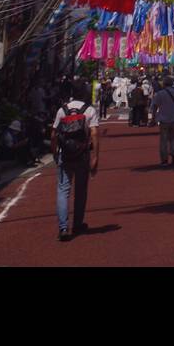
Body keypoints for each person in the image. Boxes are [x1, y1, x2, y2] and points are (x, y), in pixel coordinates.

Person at [53, 84, 99, 242]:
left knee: (63, 190)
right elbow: (94, 134)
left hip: (64, 154)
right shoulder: (89, 110)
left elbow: (54, 134)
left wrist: (54, 152)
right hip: (82, 154)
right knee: (81, 190)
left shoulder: (62, 110)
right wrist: (95, 156)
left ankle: (63, 227)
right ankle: (77, 223)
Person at [151, 79, 174, 167]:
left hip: (163, 119)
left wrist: (153, 118)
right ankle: (173, 155)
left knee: (164, 141)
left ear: (164, 84)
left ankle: (164, 160)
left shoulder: (160, 94)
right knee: (173, 139)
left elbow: (154, 106)